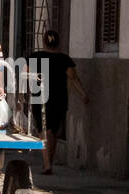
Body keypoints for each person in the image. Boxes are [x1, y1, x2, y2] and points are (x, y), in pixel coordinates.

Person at [32, 30, 87, 174]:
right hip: (59, 98)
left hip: (40, 97)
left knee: (43, 131)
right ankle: (49, 162)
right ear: (58, 42)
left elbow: (27, 76)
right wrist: (83, 94)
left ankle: (47, 164)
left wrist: (21, 96)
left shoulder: (35, 56)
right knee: (52, 132)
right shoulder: (64, 59)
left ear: (44, 41)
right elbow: (73, 78)